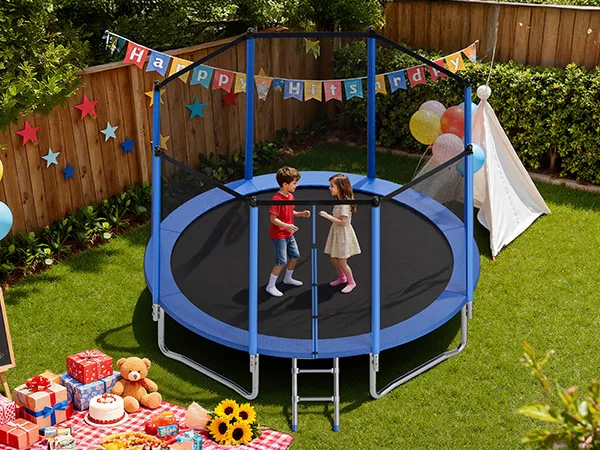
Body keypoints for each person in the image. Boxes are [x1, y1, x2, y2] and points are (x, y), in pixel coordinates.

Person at [266, 166, 311, 297]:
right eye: (294, 183)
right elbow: (273, 218)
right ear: (285, 184)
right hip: (279, 235)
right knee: (281, 261)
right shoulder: (277, 199)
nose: (296, 185)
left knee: (295, 256)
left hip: (288, 234)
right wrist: (286, 226)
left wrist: (301, 214)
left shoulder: (290, 196)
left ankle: (287, 278)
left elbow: (290, 211)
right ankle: (270, 286)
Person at [319, 174, 361, 294]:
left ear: (341, 187)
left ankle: (351, 282)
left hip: (342, 235)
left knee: (342, 261)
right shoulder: (339, 201)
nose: (330, 188)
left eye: (332, 186)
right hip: (337, 232)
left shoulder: (344, 204)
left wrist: (328, 216)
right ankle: (342, 278)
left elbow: (343, 222)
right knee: (333, 258)